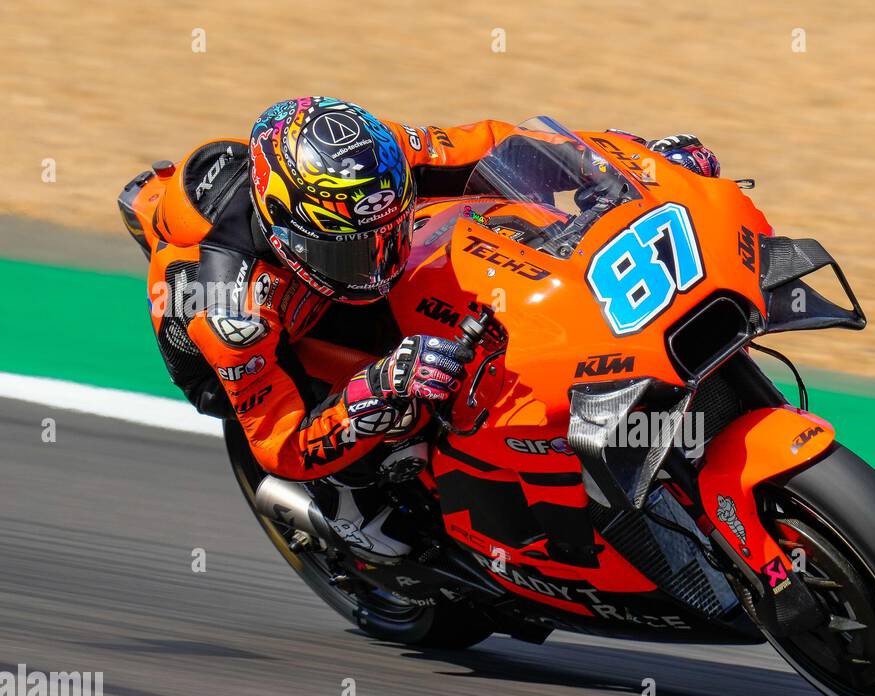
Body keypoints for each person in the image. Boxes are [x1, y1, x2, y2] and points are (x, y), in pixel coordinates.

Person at [122, 97, 718, 557]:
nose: (375, 262)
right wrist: (376, 389)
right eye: (350, 251)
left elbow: (498, 146)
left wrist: (634, 164)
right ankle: (347, 506)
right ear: (285, 233)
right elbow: (281, 442)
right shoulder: (231, 310)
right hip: (261, 353)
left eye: (386, 233)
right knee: (399, 410)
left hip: (308, 271)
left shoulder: (372, 165)